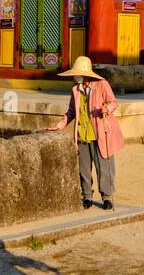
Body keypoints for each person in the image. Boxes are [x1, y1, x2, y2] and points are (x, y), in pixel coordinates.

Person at [45, 55, 124, 210]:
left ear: (86, 74)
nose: (75, 77)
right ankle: (87, 196)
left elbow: (113, 102)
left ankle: (107, 197)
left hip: (101, 133)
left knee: (105, 168)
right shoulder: (75, 90)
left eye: (77, 74)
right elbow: (71, 112)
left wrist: (106, 109)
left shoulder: (102, 85)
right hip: (82, 134)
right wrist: (60, 125)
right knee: (83, 169)